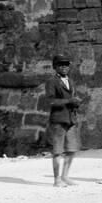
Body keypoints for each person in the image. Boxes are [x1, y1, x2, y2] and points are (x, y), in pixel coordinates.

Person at [44, 54, 80, 187]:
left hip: (70, 119)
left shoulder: (71, 81)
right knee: (57, 151)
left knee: (72, 149)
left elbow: (73, 97)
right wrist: (69, 101)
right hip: (58, 120)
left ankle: (65, 176)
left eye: (66, 64)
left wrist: (76, 102)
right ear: (55, 67)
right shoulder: (52, 82)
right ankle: (56, 180)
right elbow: (50, 101)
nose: (64, 67)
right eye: (61, 65)